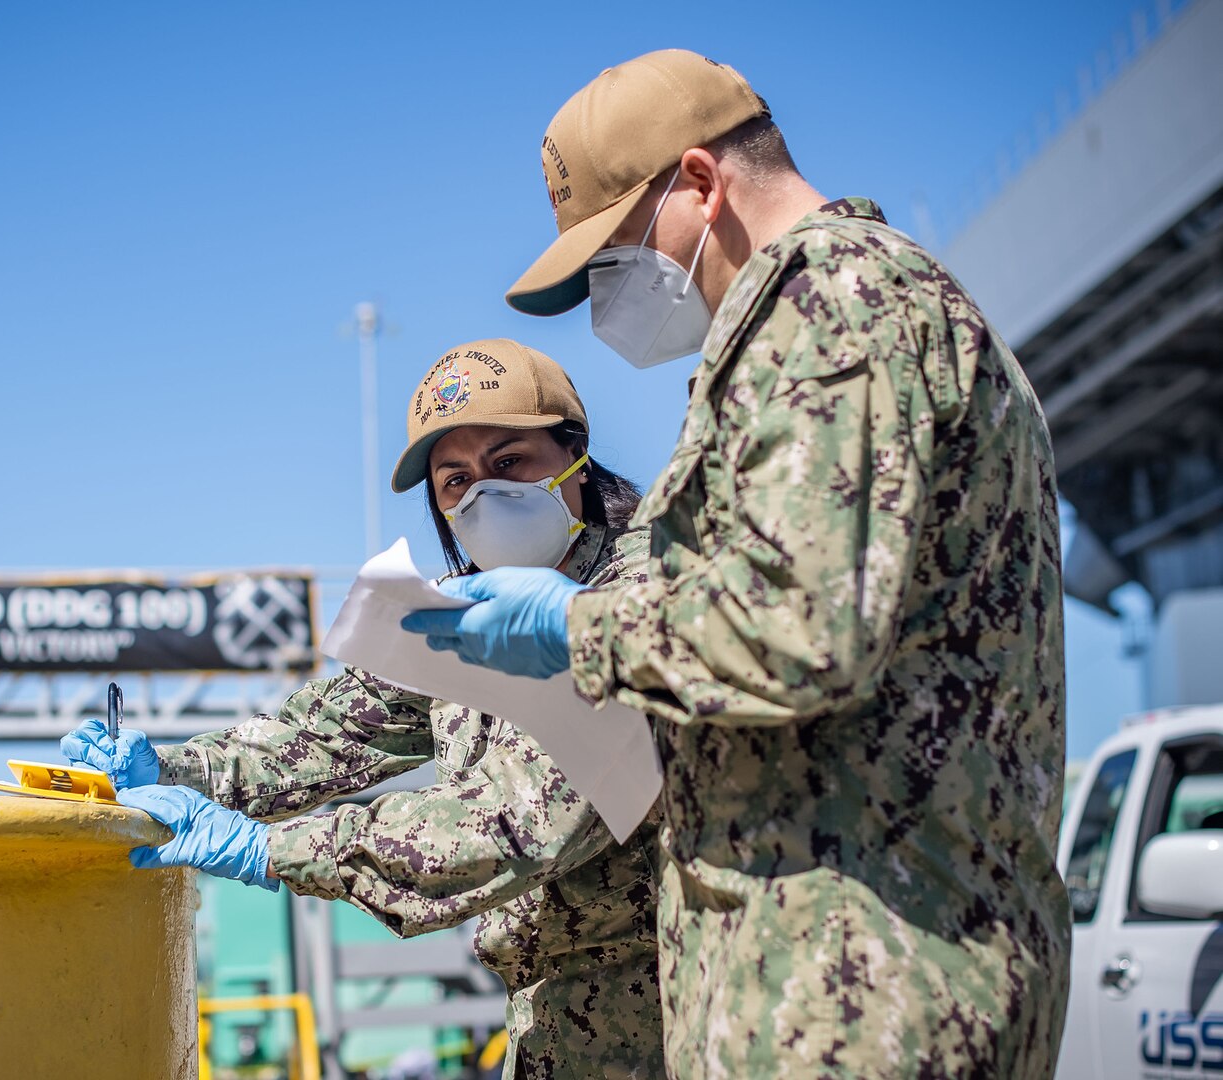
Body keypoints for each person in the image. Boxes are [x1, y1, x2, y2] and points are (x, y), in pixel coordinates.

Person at [403, 51, 1071, 1078]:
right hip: (851, 978)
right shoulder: (853, 309)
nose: (601, 303)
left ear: (702, 185)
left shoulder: (833, 304)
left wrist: (571, 629)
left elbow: (800, 628)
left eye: (613, 258)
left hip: (863, 995)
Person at [65, 339, 665, 1079]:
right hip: (550, 1025)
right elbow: (322, 733)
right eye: (455, 481)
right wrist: (174, 769)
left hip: (669, 1019)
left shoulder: (637, 595)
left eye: (510, 463)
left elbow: (516, 820)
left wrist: (267, 851)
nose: (482, 494)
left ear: (575, 457)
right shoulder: (458, 616)